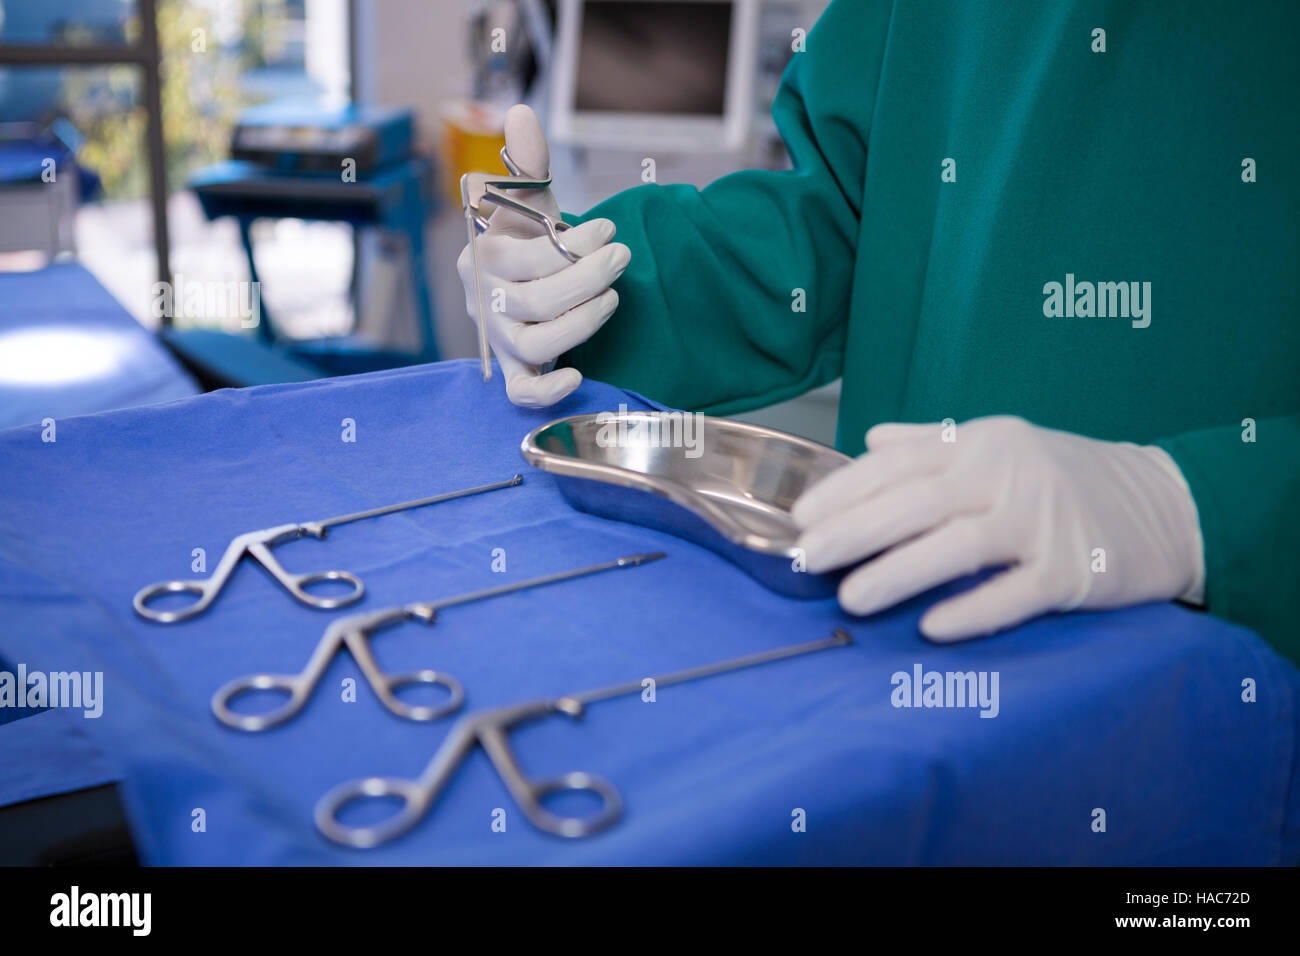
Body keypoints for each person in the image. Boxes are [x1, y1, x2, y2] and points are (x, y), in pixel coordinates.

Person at [458, 0, 1298, 662]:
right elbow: (840, 219)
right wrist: (587, 276)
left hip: (1227, 677)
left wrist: (1201, 507)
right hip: (903, 621)